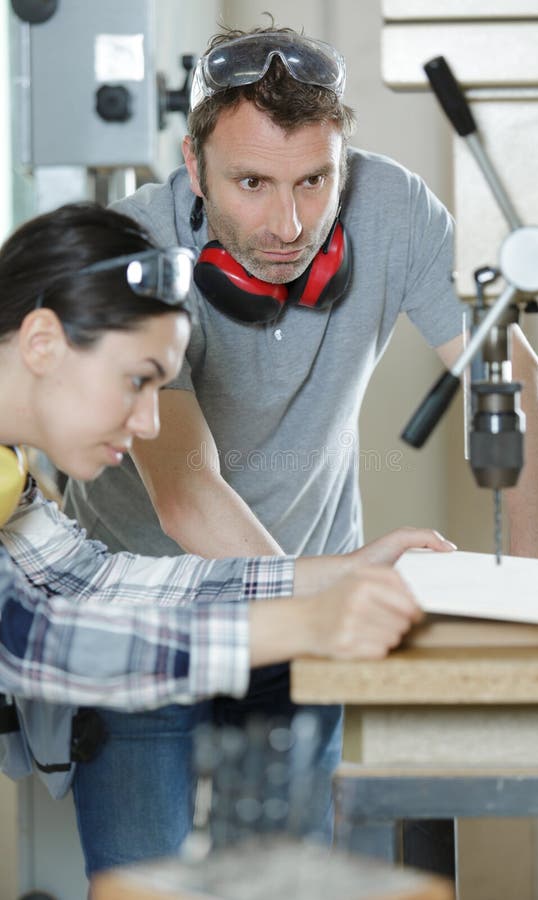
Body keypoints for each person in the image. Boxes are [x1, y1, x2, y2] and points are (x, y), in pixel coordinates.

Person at [61, 24, 538, 876]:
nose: (288, 223)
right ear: (195, 166)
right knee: (142, 886)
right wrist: (321, 608)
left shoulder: (395, 210)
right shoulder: (135, 245)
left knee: (294, 885)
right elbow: (186, 491)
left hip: (299, 606)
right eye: (251, 183)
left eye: (315, 181)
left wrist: (529, 631)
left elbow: (527, 399)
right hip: (143, 617)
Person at [0, 201, 454, 877]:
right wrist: (301, 624)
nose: (151, 422)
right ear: (42, 342)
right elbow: (42, 641)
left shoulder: (10, 468)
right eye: (136, 381)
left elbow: (90, 580)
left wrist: (333, 573)